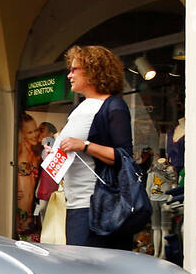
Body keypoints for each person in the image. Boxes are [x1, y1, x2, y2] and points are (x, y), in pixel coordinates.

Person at [52, 44, 135, 249]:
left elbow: (124, 156)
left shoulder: (113, 106)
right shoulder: (79, 108)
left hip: (97, 206)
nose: (69, 75)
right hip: (75, 204)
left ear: (93, 71)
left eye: (74, 70)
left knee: (91, 273)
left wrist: (84, 145)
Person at [17, 113, 44, 241]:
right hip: (19, 206)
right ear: (22, 133)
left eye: (35, 130)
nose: (34, 135)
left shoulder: (35, 152)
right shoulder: (18, 150)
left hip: (32, 206)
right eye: (29, 132)